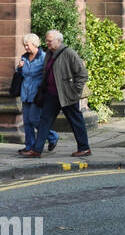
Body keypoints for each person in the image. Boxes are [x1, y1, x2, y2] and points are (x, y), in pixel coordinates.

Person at [21, 29, 90, 158]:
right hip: (51, 95)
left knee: (76, 121)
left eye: (49, 40)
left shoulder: (69, 53)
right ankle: (37, 150)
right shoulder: (49, 54)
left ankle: (84, 148)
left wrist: (75, 91)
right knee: (44, 122)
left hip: (67, 95)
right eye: (46, 40)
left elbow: (82, 74)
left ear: (58, 41)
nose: (46, 42)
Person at [17, 34, 58, 156]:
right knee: (27, 121)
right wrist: (19, 68)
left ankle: (52, 136)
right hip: (25, 93)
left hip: (37, 94)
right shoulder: (24, 57)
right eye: (24, 45)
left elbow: (49, 74)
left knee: (34, 119)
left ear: (34, 44)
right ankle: (29, 146)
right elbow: (21, 73)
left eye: (27, 45)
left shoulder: (44, 57)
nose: (25, 47)